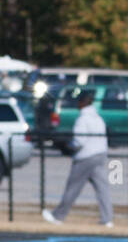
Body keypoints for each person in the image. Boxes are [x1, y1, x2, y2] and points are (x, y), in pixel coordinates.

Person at [43, 88, 114, 227]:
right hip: (100, 155)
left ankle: (58, 216)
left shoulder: (83, 119)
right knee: (102, 189)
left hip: (85, 157)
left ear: (82, 103)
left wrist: (67, 146)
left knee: (73, 187)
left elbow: (79, 141)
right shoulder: (98, 118)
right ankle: (107, 219)